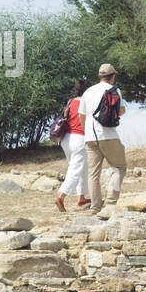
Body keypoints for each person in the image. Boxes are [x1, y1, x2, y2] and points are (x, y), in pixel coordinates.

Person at [79, 63, 128, 212]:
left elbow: (81, 115)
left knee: (93, 173)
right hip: (108, 134)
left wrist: (86, 131)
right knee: (119, 167)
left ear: (100, 76)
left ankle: (95, 207)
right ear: (112, 76)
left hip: (90, 137)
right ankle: (111, 203)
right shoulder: (114, 90)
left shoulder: (88, 92)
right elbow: (121, 111)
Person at [55, 78, 91, 212]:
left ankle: (81, 198)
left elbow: (65, 115)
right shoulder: (88, 102)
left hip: (66, 139)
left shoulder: (71, 101)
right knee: (75, 170)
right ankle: (61, 197)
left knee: (81, 167)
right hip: (80, 139)